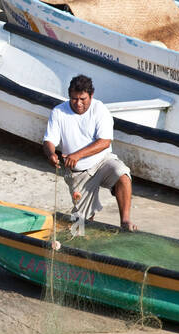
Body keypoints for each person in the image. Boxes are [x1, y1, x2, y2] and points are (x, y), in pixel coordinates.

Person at [42, 75, 135, 231]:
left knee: (122, 174)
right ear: (69, 96)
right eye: (74, 99)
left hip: (102, 162)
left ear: (91, 95)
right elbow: (48, 141)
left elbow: (105, 141)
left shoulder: (100, 109)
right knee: (81, 225)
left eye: (83, 99)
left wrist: (77, 155)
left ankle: (125, 222)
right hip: (78, 172)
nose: (78, 103)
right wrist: (51, 154)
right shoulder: (58, 112)